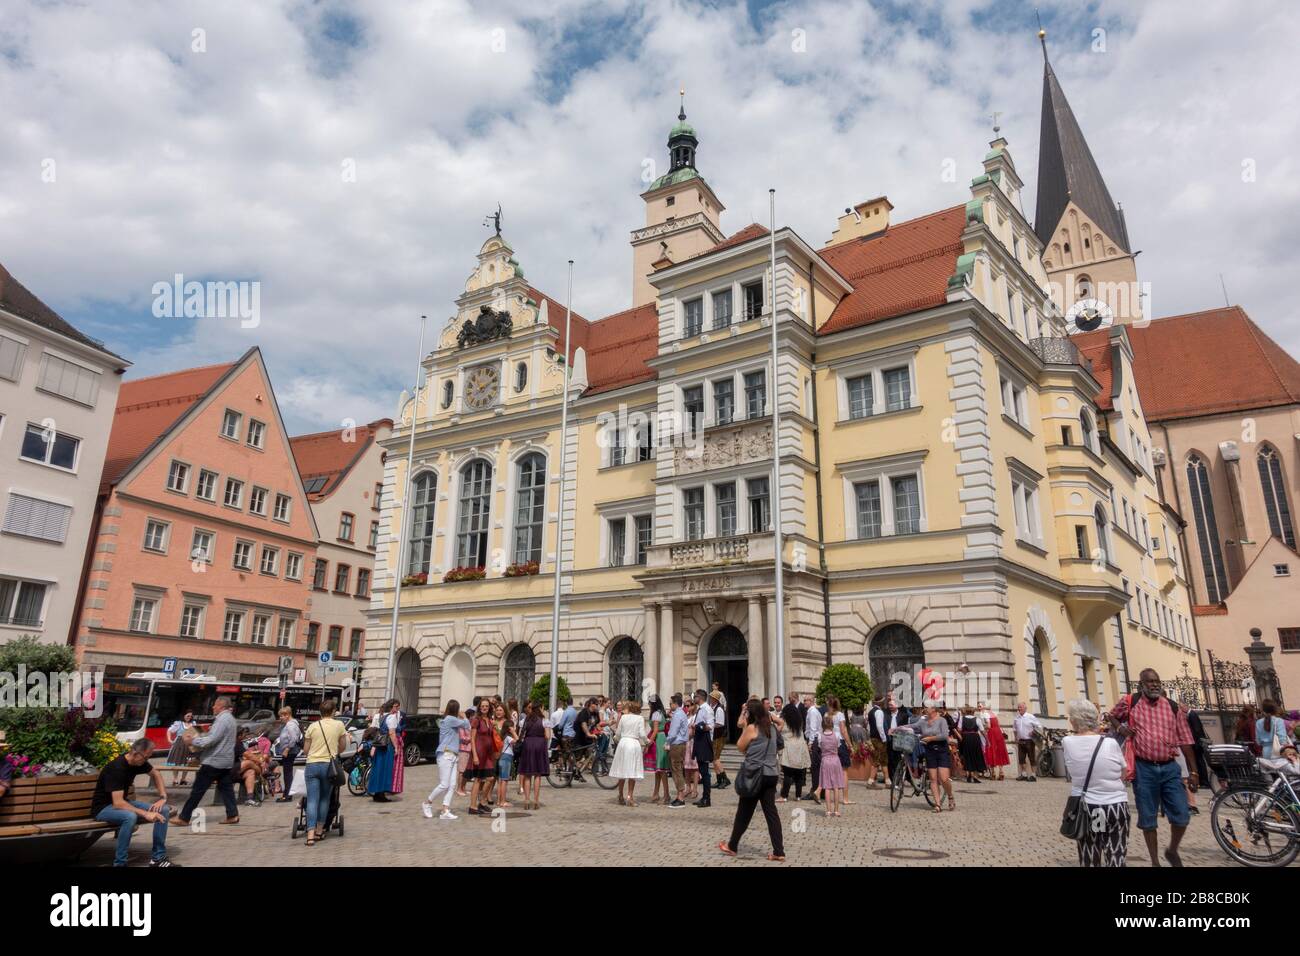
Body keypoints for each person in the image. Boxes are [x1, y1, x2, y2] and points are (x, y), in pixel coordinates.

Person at [1107, 668, 1198, 867]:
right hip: (1143, 768)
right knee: (1148, 818)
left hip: (1170, 768)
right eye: (1150, 682)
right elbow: (1112, 715)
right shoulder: (1132, 701)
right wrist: (1121, 728)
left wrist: (1193, 771)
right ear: (1141, 684)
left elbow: (1186, 740)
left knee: (1182, 815)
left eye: (1157, 681)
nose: (1155, 684)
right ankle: (1155, 861)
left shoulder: (1173, 707)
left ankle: (1172, 850)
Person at [1062, 698, 1129, 867]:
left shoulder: (1067, 742)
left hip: (1090, 807)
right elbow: (1124, 772)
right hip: (1115, 804)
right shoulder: (1111, 743)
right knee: (1116, 854)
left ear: (1074, 720)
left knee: (1091, 853)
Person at [92, 738, 175, 867]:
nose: (146, 761)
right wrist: (146, 813)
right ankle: (120, 863)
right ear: (136, 754)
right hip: (103, 808)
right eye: (146, 758)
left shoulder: (138, 762)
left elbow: (155, 774)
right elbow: (118, 803)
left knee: (163, 810)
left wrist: (162, 798)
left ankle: (158, 859)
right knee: (129, 817)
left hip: (122, 803)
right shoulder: (116, 768)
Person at [719, 700, 785, 862]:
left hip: (755, 775)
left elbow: (740, 746)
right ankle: (779, 851)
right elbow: (779, 745)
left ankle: (732, 845)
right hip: (771, 774)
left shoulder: (752, 728)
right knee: (771, 814)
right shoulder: (772, 728)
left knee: (744, 812)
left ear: (752, 714)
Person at [178, 695, 239, 825]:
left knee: (198, 790)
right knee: (226, 789)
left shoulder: (222, 720)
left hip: (214, 760)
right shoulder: (231, 719)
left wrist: (193, 740)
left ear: (221, 706)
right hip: (225, 761)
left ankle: (184, 817)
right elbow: (216, 737)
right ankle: (232, 815)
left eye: (215, 705)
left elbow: (212, 740)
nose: (213, 707)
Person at [301, 698, 348, 846]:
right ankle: (320, 831)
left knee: (312, 799)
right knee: (324, 799)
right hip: (329, 765)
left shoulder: (312, 726)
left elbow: (306, 750)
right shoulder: (339, 725)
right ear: (333, 711)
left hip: (312, 764)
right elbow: (342, 747)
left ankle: (310, 834)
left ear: (320, 712)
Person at [424, 700, 471, 820]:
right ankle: (427, 802)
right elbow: (467, 725)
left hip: (453, 754)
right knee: (444, 784)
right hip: (446, 753)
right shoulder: (450, 719)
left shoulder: (449, 720)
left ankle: (445, 809)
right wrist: (464, 716)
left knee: (452, 784)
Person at [916, 705, 956, 812]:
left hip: (942, 750)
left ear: (933, 709)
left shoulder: (942, 720)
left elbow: (944, 736)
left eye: (927, 707)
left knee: (943, 779)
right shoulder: (923, 721)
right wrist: (898, 728)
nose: (925, 709)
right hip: (929, 750)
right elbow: (914, 726)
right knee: (933, 779)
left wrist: (930, 738)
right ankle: (937, 804)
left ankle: (950, 796)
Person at [610, 699, 648, 806]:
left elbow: (618, 733)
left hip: (623, 743)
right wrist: (647, 742)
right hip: (633, 743)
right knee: (632, 772)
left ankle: (621, 795)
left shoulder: (623, 717)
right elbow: (642, 734)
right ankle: (630, 797)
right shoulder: (640, 718)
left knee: (622, 771)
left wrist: (617, 739)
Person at [515, 701, 550, 811]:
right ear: (540, 708)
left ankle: (526, 799)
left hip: (528, 744)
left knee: (527, 774)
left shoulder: (524, 720)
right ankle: (536, 799)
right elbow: (548, 736)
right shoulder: (544, 720)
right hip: (540, 745)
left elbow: (521, 735)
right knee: (537, 774)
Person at [466, 701, 500, 814]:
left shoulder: (489, 720)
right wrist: (475, 755)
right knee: (478, 779)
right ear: (479, 708)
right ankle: (472, 806)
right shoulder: (477, 720)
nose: (484, 708)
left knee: (490, 778)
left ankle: (482, 802)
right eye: (482, 706)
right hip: (479, 753)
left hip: (488, 754)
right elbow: (472, 738)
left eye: (486, 706)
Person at [366, 698, 399, 802]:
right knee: (385, 769)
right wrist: (396, 746)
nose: (397, 708)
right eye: (396, 706)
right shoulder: (392, 717)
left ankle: (377, 792)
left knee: (378, 768)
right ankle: (381, 794)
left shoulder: (383, 717)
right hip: (387, 745)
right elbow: (392, 733)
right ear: (391, 707)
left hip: (380, 745)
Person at [777, 701, 810, 802]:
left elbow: (777, 731)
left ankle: (784, 796)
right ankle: (798, 795)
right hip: (800, 747)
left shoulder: (783, 721)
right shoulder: (799, 721)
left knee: (788, 773)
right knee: (799, 773)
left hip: (789, 748)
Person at [815, 714, 846, 817]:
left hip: (825, 761)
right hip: (835, 760)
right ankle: (836, 810)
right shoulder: (836, 735)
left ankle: (828, 810)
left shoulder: (820, 735)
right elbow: (838, 746)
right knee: (836, 786)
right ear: (832, 725)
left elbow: (820, 746)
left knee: (827, 787)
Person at [665, 694, 690, 807]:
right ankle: (680, 795)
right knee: (678, 769)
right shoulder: (682, 713)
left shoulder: (677, 715)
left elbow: (673, 732)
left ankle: (680, 797)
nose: (670, 705)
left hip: (677, 744)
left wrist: (667, 742)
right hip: (681, 744)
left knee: (676, 770)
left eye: (670, 703)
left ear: (675, 703)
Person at [691, 689, 714, 807]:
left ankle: (707, 798)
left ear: (700, 697)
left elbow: (710, 726)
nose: (694, 698)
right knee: (701, 769)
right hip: (699, 739)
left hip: (704, 740)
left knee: (705, 772)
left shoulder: (707, 709)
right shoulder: (700, 709)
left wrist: (698, 726)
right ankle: (704, 797)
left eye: (695, 696)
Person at [274, 706, 303, 802]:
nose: (280, 718)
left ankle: (287, 795)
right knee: (288, 772)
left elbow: (293, 738)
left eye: (282, 716)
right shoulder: (291, 724)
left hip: (290, 751)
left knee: (287, 773)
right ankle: (287, 793)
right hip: (290, 751)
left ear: (287, 715)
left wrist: (287, 749)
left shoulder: (290, 725)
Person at [646, 694, 671, 804]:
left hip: (659, 740)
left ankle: (666, 795)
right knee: (658, 771)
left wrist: (648, 743)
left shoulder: (656, 713)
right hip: (660, 738)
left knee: (662, 770)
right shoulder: (660, 712)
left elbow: (655, 730)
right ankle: (656, 793)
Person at [979, 702, 1010, 781]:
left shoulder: (985, 714)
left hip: (991, 734)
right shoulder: (993, 714)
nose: (979, 708)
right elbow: (998, 725)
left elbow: (988, 726)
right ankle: (1001, 772)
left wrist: (982, 727)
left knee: (991, 751)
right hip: (998, 733)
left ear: (985, 707)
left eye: (980, 706)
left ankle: (993, 773)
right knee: (999, 751)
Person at [494, 702, 517, 809]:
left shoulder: (502, 736)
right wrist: (513, 732)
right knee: (504, 780)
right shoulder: (508, 737)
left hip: (500, 757)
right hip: (506, 758)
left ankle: (499, 801)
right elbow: (517, 740)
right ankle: (503, 801)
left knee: (500, 780)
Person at [164, 711, 196, 787]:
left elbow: (196, 733)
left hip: (189, 744)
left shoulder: (193, 724)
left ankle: (183, 779)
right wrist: (169, 740)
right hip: (179, 744)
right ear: (184, 716)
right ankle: (175, 779)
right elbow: (169, 730)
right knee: (177, 761)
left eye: (190, 716)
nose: (189, 718)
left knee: (188, 762)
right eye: (188, 716)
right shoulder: (178, 723)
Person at [957, 706, 987, 784]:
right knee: (976, 756)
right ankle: (975, 776)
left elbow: (959, 729)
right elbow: (982, 731)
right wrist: (987, 740)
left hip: (965, 738)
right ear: (973, 712)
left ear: (966, 712)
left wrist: (962, 736)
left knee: (967, 755)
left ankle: (968, 775)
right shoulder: (977, 719)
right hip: (975, 738)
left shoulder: (961, 718)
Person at [1013, 702, 1041, 782]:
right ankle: (1024, 774)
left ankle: (1033, 775)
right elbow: (1015, 729)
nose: (1019, 709)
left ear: (1025, 708)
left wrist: (1033, 732)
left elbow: (1039, 726)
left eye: (1020, 707)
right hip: (1020, 740)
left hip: (1029, 740)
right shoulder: (1016, 718)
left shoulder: (1030, 717)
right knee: (1021, 759)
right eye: (1018, 707)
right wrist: (1016, 738)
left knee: (1031, 758)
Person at [709, 690, 730, 789]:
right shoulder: (713, 708)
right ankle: (719, 779)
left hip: (719, 736)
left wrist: (710, 725)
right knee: (714, 758)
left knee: (716, 758)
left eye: (711, 697)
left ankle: (725, 779)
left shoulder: (719, 709)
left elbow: (720, 723)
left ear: (715, 699)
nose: (710, 699)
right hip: (715, 736)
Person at [804, 694, 822, 800]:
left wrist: (810, 743)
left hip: (814, 741)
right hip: (814, 740)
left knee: (815, 767)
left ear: (811, 701)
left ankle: (816, 790)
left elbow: (813, 728)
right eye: (804, 700)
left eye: (806, 700)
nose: (805, 702)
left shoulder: (813, 712)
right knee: (815, 767)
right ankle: (816, 789)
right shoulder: (811, 711)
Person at [683, 699, 700, 800]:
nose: (686, 708)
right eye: (685, 706)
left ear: (693, 706)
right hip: (686, 743)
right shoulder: (685, 717)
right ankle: (687, 787)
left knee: (695, 766)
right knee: (686, 767)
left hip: (693, 742)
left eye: (688, 705)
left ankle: (695, 788)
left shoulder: (695, 717)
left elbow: (694, 731)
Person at [455, 707, 474, 796]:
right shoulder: (462, 726)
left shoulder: (470, 725)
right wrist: (472, 738)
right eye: (472, 716)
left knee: (467, 770)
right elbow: (463, 738)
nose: (473, 718)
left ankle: (463, 788)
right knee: (462, 770)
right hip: (463, 749)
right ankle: (459, 788)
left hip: (470, 749)